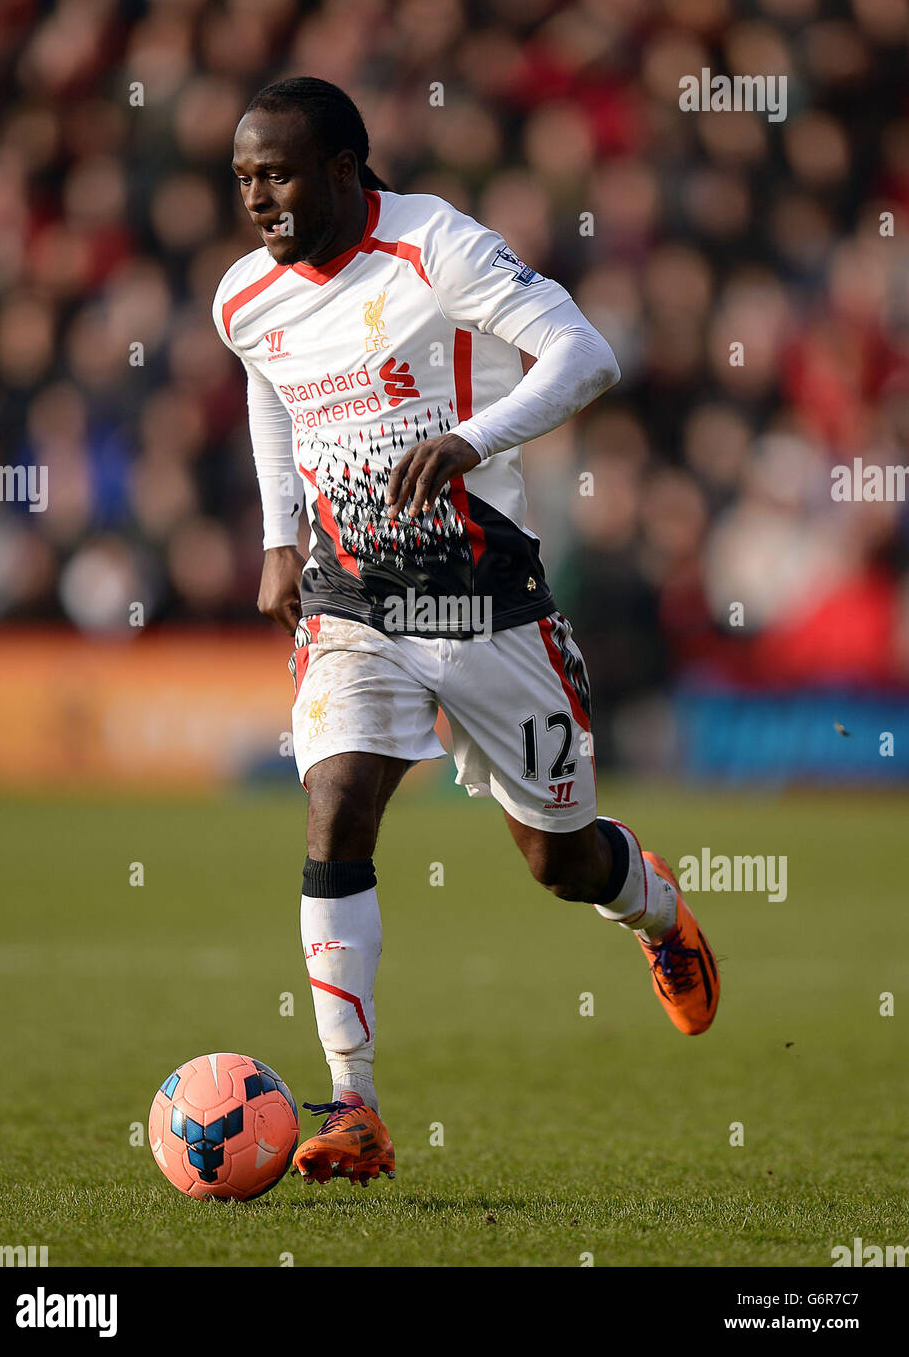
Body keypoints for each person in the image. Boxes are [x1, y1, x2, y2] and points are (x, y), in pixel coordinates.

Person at [213, 77, 719, 1187]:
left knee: (560, 860)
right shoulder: (244, 294)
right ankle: (354, 1103)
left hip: (485, 599)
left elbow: (587, 355)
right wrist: (277, 537)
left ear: (347, 168)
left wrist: (468, 438)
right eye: (245, 177)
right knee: (336, 803)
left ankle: (654, 908)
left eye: (280, 173)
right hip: (350, 600)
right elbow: (268, 380)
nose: (260, 198)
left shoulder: (436, 245)